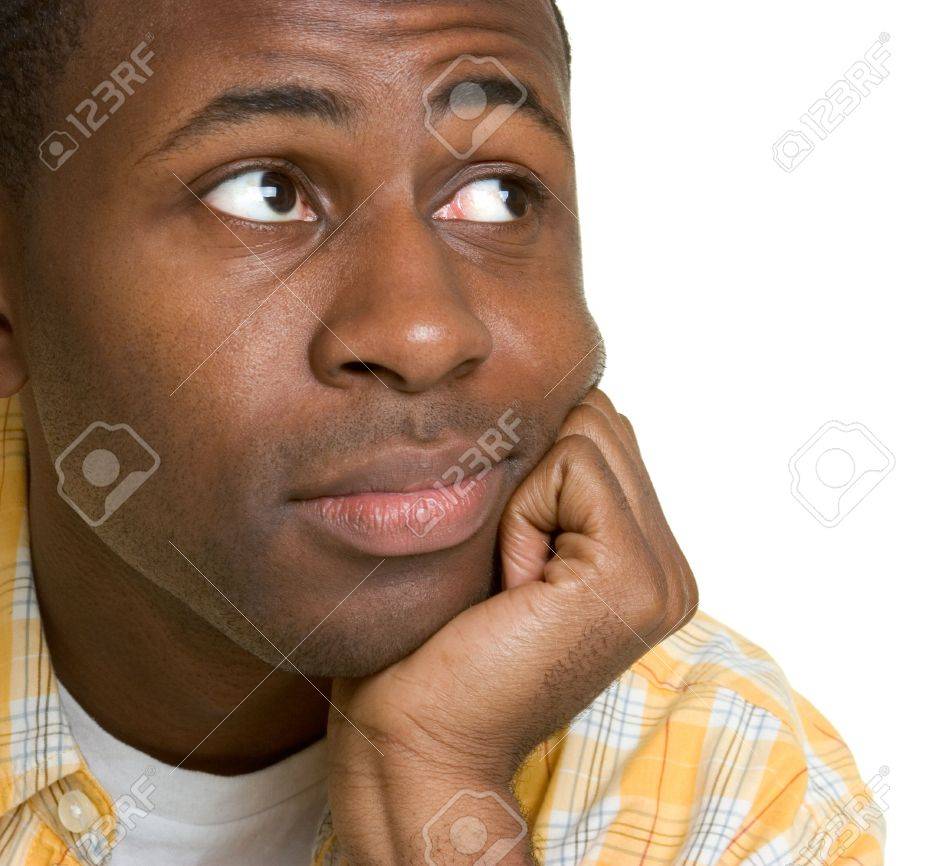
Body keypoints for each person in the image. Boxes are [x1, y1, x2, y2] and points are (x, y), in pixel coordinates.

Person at [0, 0, 884, 863]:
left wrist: (434, 782)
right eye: (268, 194)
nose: (424, 334)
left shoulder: (736, 796)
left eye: (497, 195)